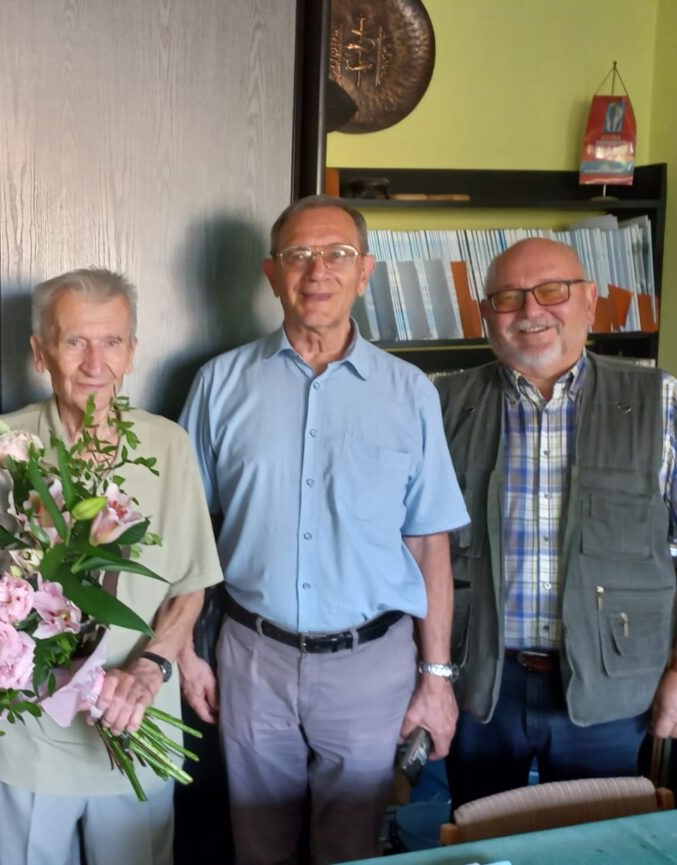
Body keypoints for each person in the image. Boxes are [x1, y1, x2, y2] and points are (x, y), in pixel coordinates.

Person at [178, 195, 469, 864]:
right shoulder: (220, 384)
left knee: (352, 848)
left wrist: (436, 675)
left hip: (372, 666)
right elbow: (187, 532)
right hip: (252, 657)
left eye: (337, 254)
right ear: (271, 272)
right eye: (298, 256)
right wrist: (188, 650)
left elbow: (429, 542)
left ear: (364, 270)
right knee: (258, 846)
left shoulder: (410, 392)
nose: (318, 271)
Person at [436, 237, 677, 807]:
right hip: (478, 684)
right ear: (485, 315)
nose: (531, 311)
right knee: (477, 834)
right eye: (508, 298)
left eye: (552, 291)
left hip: (611, 689)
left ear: (590, 300)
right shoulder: (442, 402)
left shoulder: (659, 400)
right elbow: (412, 545)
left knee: (593, 845)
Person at [0, 268, 223, 865]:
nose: (94, 362)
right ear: (40, 352)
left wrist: (151, 671)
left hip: (137, 716)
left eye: (112, 342)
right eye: (74, 341)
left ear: (133, 352)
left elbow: (190, 586)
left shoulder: (168, 446)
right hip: (27, 730)